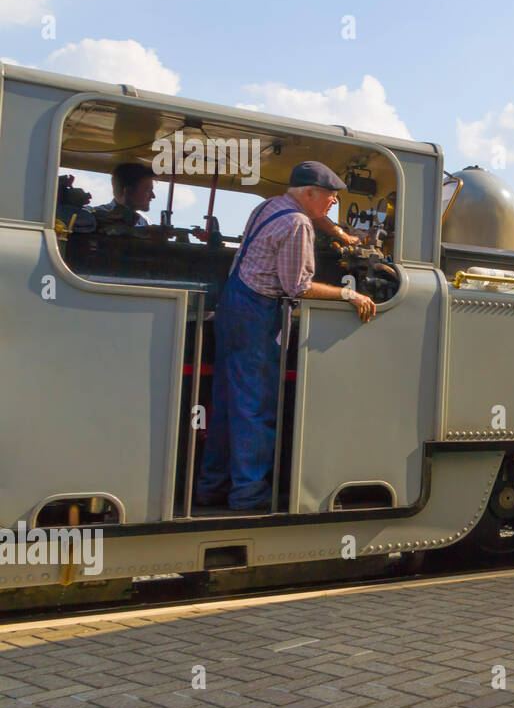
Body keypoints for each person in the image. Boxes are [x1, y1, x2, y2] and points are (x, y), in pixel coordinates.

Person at [196, 161, 376, 511]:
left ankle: (210, 488)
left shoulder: (271, 205)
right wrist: (349, 295)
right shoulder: (297, 224)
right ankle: (249, 496)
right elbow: (299, 286)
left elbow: (316, 217)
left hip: (232, 305)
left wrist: (341, 235)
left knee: (226, 405)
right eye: (330, 197)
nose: (334, 203)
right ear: (310, 194)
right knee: (255, 406)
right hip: (256, 315)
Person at [93, 162, 155, 228]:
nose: (153, 196)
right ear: (128, 191)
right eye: (147, 190)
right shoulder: (92, 218)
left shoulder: (144, 221)